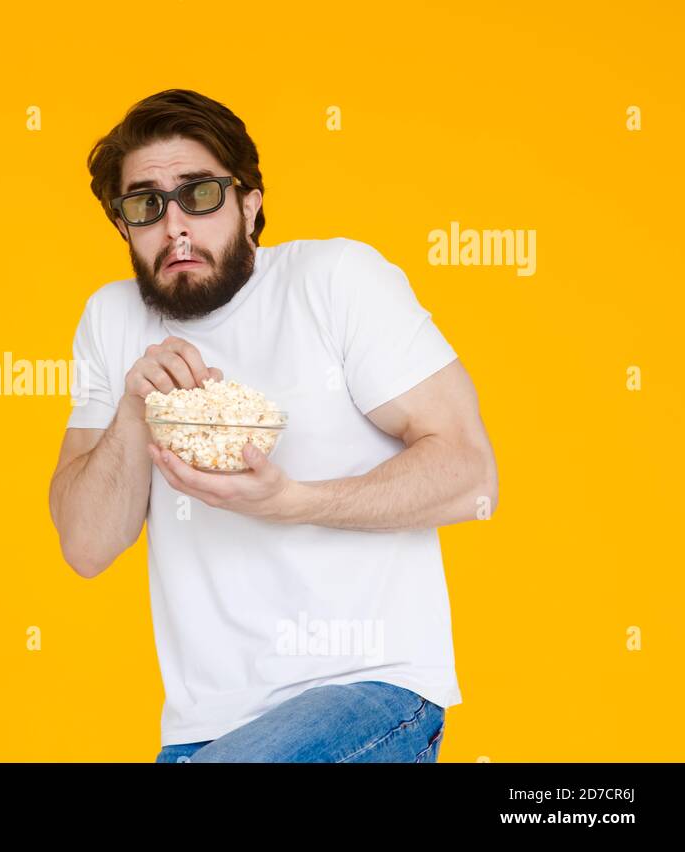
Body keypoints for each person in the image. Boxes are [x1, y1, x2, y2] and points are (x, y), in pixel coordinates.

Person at [48, 89, 498, 762]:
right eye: (145, 204)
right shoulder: (112, 322)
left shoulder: (334, 280)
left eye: (198, 194)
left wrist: (293, 503)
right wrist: (131, 410)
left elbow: (470, 475)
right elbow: (85, 545)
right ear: (123, 228)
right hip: (204, 730)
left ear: (250, 203)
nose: (174, 227)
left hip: (368, 689)